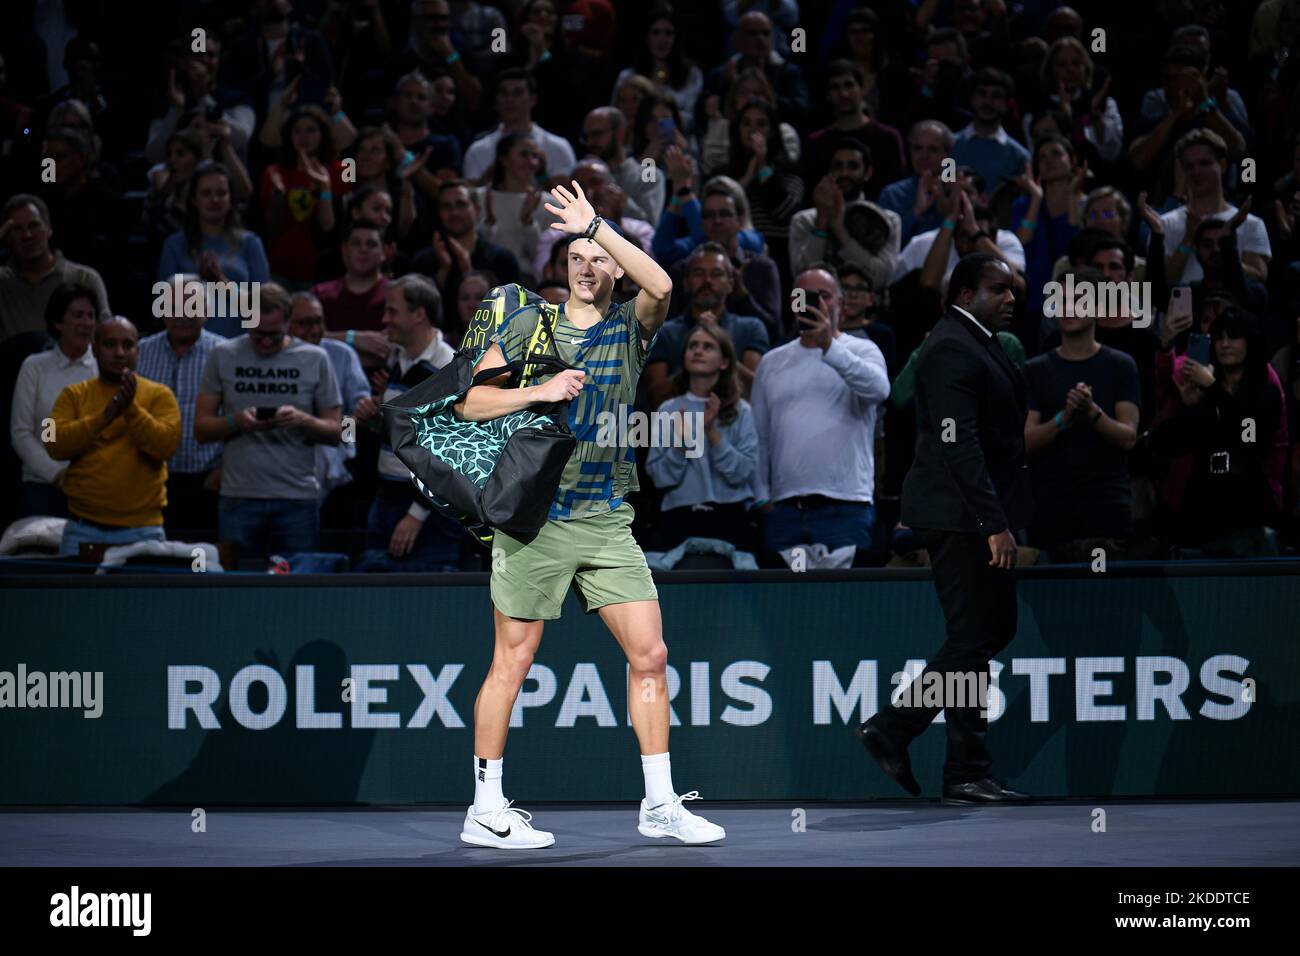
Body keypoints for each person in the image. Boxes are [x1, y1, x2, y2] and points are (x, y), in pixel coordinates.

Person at [452, 179, 724, 848]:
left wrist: (597, 226)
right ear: (560, 269)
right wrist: (539, 389)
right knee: (511, 662)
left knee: (651, 654)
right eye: (574, 256)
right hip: (536, 519)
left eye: (598, 257)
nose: (585, 264)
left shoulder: (630, 328)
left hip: (606, 518)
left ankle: (659, 804)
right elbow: (470, 404)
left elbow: (661, 286)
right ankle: (485, 808)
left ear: (612, 265)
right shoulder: (529, 327)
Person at [857, 253, 1032, 805]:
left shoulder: (974, 342)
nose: (1011, 298)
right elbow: (961, 446)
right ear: (964, 293)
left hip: (969, 513)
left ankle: (936, 752)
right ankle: (931, 750)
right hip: (959, 517)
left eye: (1012, 290)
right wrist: (993, 524)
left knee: (988, 631)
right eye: (998, 289)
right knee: (974, 635)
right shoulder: (952, 346)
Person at [194, 283, 342, 564]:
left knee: (298, 595)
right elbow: (200, 429)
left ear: (288, 323)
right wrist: (235, 421)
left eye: (273, 335)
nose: (264, 343)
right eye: (257, 334)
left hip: (297, 499)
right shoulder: (223, 355)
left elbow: (338, 432)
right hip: (240, 497)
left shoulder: (314, 358)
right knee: (238, 591)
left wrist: (302, 419)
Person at [750, 264, 889, 560]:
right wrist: (763, 497)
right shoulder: (771, 363)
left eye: (824, 295)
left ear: (840, 302)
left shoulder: (863, 350)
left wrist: (829, 344)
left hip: (847, 505)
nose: (816, 303)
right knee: (787, 604)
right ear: (792, 303)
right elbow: (759, 437)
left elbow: (879, 390)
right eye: (804, 296)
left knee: (841, 604)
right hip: (784, 509)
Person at [1023, 266, 1141, 562]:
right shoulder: (1036, 370)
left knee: (1108, 602)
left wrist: (1091, 412)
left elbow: (1128, 437)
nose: (1069, 308)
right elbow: (1026, 441)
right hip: (1051, 509)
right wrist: (1065, 416)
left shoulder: (1120, 365)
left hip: (1106, 509)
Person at [47, 317, 182, 557]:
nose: (120, 353)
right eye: (110, 344)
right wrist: (104, 417)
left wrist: (130, 409)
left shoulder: (161, 395)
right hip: (83, 528)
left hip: (143, 530)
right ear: (95, 349)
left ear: (138, 351)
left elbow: (167, 446)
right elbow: (52, 442)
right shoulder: (73, 395)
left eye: (128, 345)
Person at [645, 324, 760, 552]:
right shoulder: (669, 409)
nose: (698, 351)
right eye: (693, 346)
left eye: (708, 347)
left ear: (724, 362)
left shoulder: (742, 410)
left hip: (731, 516)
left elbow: (743, 473)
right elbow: (660, 478)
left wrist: (711, 432)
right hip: (680, 516)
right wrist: (683, 443)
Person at [136, 274, 227, 534]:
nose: (183, 314)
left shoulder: (226, 354)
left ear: (207, 311)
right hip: (150, 481)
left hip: (208, 480)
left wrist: (224, 470)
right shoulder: (140, 353)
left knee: (202, 565)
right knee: (157, 565)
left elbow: (241, 419)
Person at [11, 282, 100, 518]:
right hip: (42, 486)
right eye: (78, 315)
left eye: (91, 316)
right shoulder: (34, 367)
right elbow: (21, 432)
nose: (86, 323)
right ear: (58, 322)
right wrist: (56, 475)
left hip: (96, 488)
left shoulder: (105, 369)